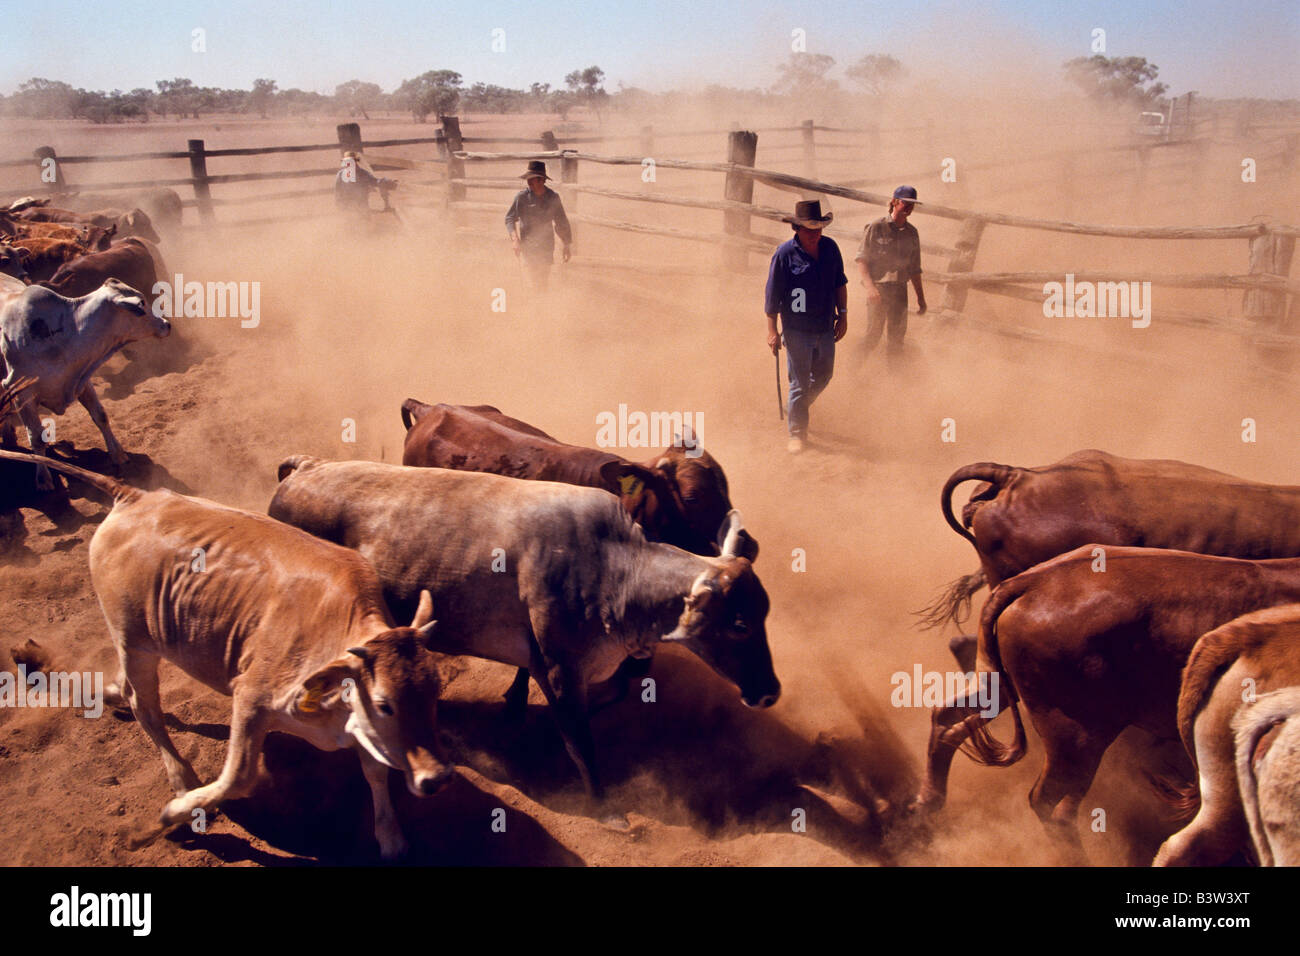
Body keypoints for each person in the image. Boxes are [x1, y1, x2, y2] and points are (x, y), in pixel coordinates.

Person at [764, 199, 848, 454]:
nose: (815, 235)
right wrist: (771, 330)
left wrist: (843, 314)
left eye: (818, 229)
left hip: (825, 326)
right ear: (797, 229)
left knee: (824, 376)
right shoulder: (784, 254)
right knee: (799, 383)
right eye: (810, 229)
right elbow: (772, 296)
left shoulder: (831, 248)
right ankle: (797, 433)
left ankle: (796, 407)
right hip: (796, 329)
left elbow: (839, 284)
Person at [857, 185, 927, 363]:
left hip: (900, 290)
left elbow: (914, 268)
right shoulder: (876, 227)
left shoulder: (912, 233)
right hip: (879, 289)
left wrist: (920, 298)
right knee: (873, 334)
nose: (909, 207)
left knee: (896, 338)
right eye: (906, 202)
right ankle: (851, 370)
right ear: (895, 202)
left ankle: (895, 380)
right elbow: (862, 260)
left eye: (912, 204)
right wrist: (870, 287)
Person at [504, 161, 572, 291]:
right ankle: (536, 303)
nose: (529, 183)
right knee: (534, 277)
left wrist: (566, 244)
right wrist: (515, 239)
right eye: (528, 180)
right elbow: (510, 218)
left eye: (532, 180)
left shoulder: (553, 197)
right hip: (528, 244)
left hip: (546, 244)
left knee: (543, 279)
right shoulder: (522, 197)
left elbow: (561, 222)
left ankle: (540, 304)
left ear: (542, 181)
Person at [334, 150, 395, 220]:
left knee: (363, 223)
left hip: (361, 204)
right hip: (348, 205)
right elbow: (338, 190)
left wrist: (384, 181)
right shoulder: (342, 174)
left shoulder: (362, 173)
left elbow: (374, 181)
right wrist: (339, 203)